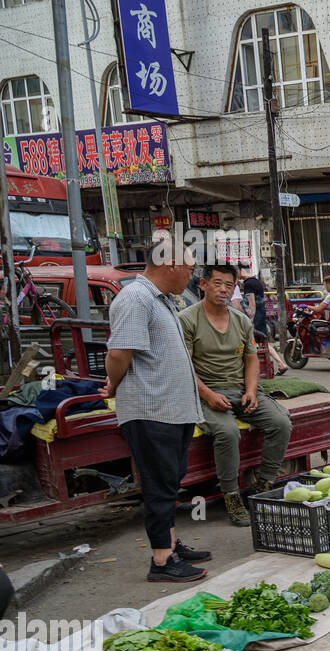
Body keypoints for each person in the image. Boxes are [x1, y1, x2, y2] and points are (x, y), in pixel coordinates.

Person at [100, 232, 209, 582]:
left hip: (171, 409)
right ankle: (162, 561)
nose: (191, 275)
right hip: (151, 410)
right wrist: (113, 386)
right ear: (172, 264)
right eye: (189, 268)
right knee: (159, 483)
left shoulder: (160, 299)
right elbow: (119, 354)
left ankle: (171, 544)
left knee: (171, 480)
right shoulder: (135, 298)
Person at [180, 265, 293, 526]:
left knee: (281, 422)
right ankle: (231, 496)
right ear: (203, 285)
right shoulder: (187, 319)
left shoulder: (241, 320)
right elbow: (184, 368)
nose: (222, 289)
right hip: (204, 393)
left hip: (241, 391)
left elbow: (251, 361)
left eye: (228, 285)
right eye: (217, 283)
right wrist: (208, 395)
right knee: (228, 432)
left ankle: (263, 485)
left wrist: (252, 392)